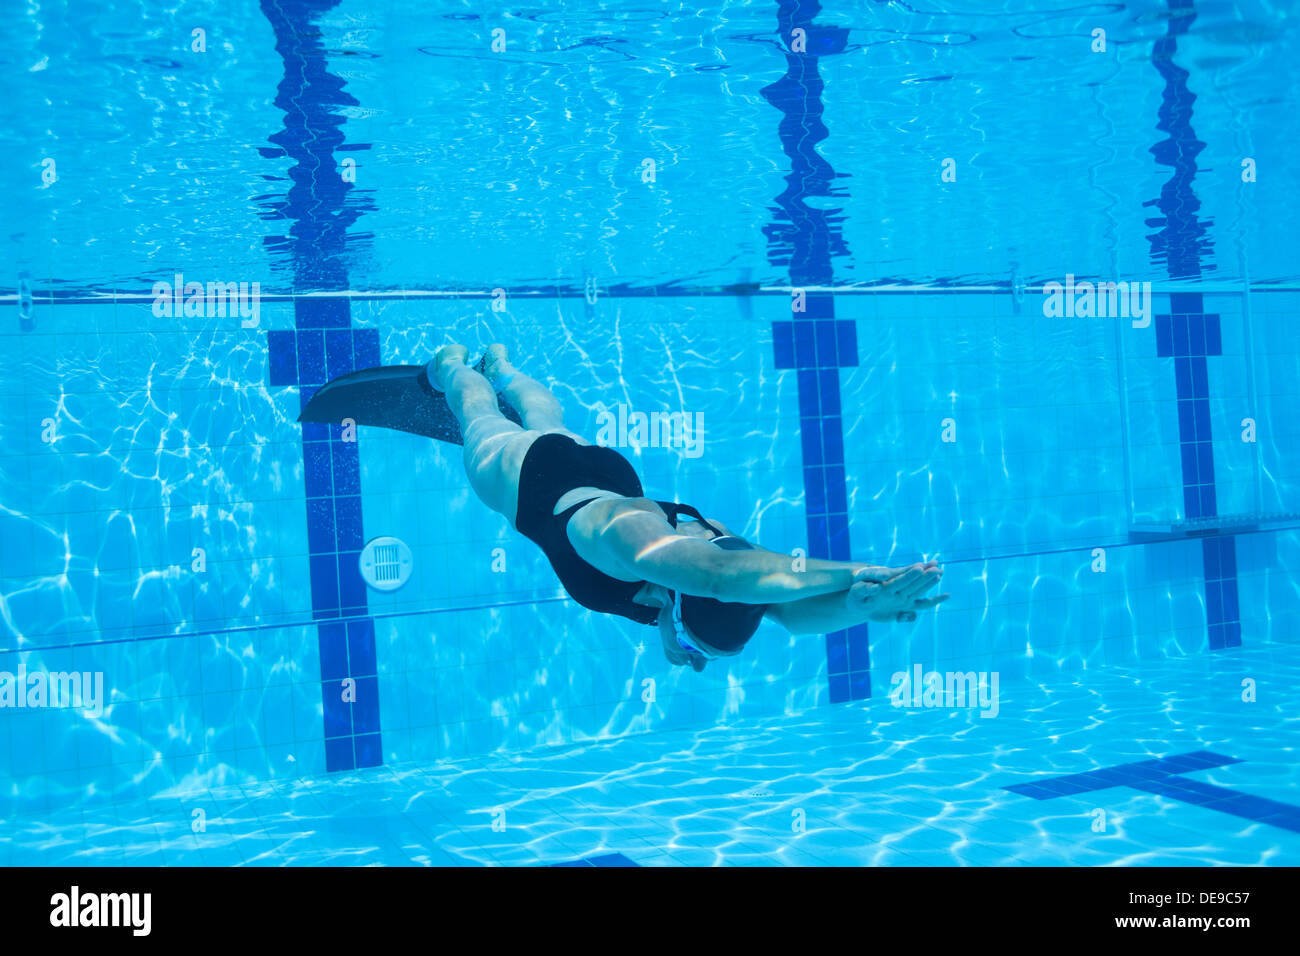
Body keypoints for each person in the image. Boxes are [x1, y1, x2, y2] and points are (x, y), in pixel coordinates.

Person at [431, 343, 948, 671]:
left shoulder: (716, 542)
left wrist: (858, 606)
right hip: (527, 481)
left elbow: (781, 611)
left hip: (605, 474)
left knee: (547, 415)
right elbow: (721, 578)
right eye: (693, 645)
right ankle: (451, 364)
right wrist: (865, 570)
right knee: (477, 412)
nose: (690, 662)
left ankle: (504, 365)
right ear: (681, 603)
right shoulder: (634, 546)